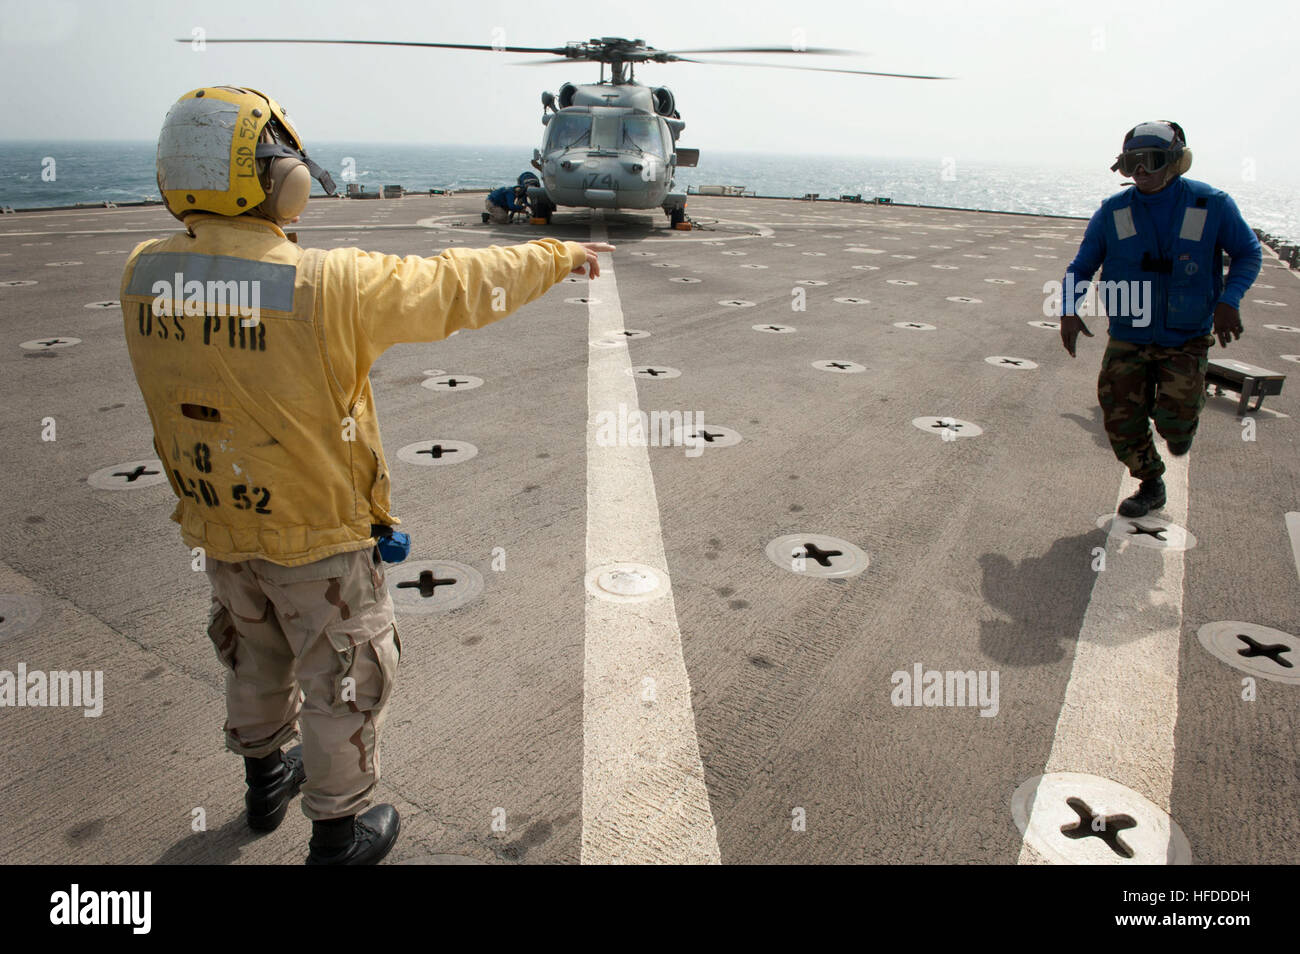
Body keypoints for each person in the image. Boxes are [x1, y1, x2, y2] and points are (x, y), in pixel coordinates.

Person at [120, 86, 612, 864]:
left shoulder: (144, 273)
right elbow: (455, 286)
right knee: (344, 678)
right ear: (275, 177)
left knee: (253, 655)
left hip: (220, 520)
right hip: (316, 535)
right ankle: (339, 836)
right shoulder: (323, 285)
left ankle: (262, 784)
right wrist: (558, 254)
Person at [1059, 120, 1261, 517]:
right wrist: (1068, 308)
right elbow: (1081, 267)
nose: (1140, 172)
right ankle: (1150, 482)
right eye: (1131, 163)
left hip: (1185, 335)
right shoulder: (1114, 212)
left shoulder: (1211, 204)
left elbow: (1248, 253)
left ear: (1175, 162)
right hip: (1129, 333)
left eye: (1150, 162)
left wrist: (1229, 300)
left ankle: (1182, 420)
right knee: (1118, 415)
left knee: (1175, 423)